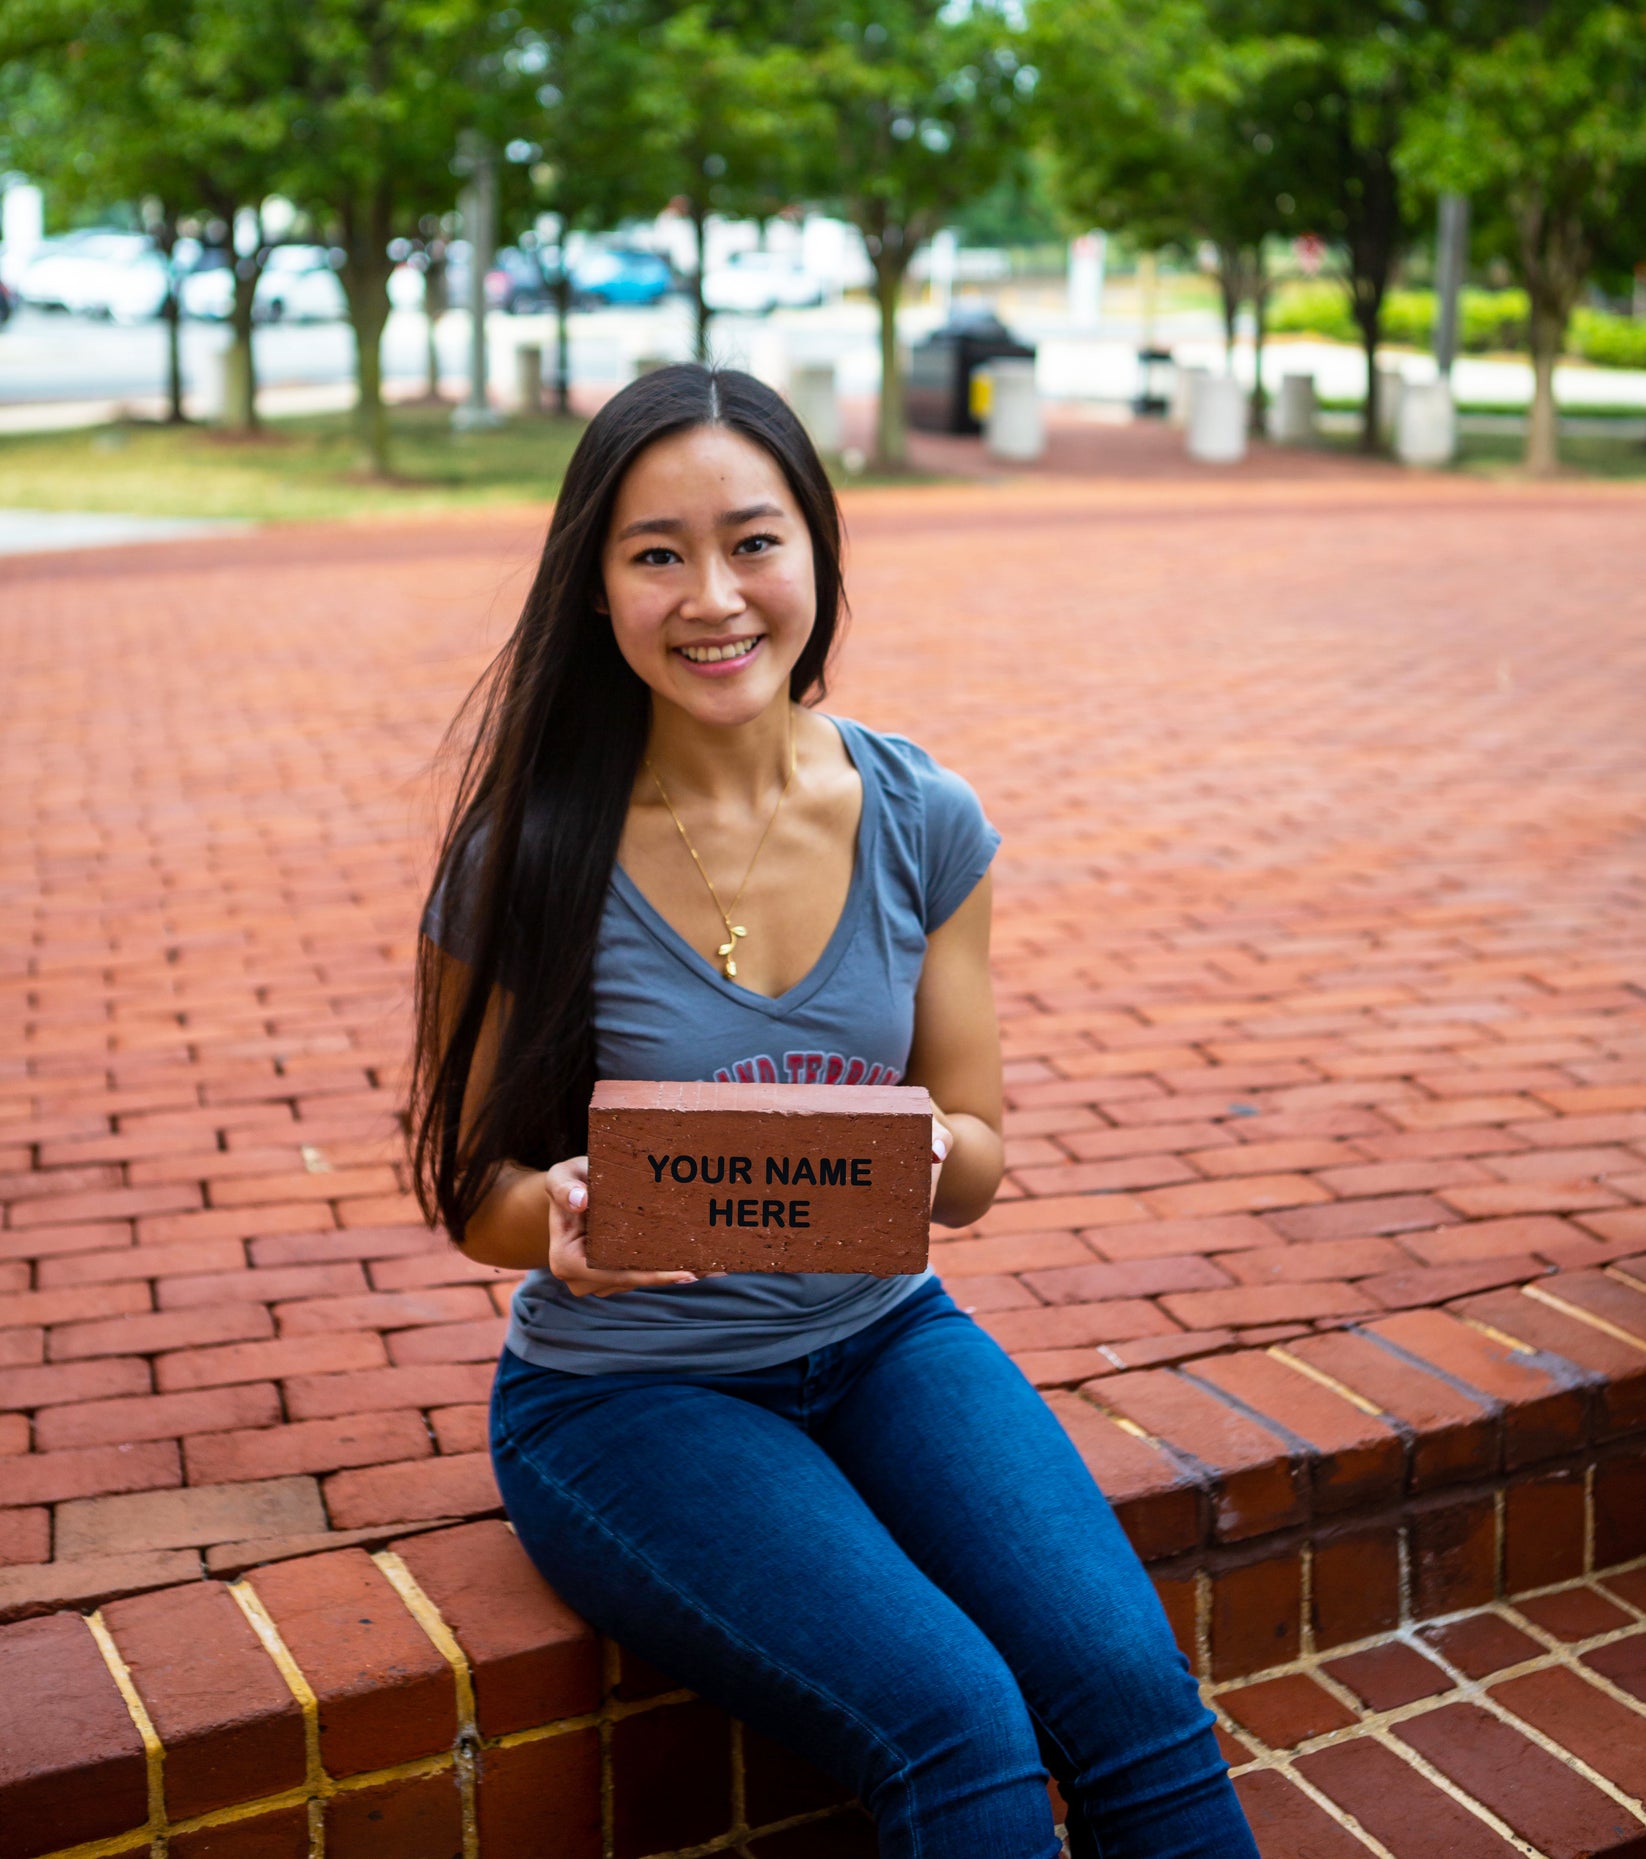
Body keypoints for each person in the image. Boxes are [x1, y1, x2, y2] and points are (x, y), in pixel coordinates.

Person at [410, 364, 1259, 1859]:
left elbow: (980, 1158)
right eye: (654, 553)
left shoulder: (921, 817)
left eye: (752, 541)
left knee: (1131, 1698)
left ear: (816, 553)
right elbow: (470, 1183)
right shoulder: (526, 854)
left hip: (883, 1341)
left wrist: (928, 1156)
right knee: (961, 1729)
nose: (711, 595)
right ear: (594, 586)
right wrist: (560, 1225)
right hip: (626, 1397)